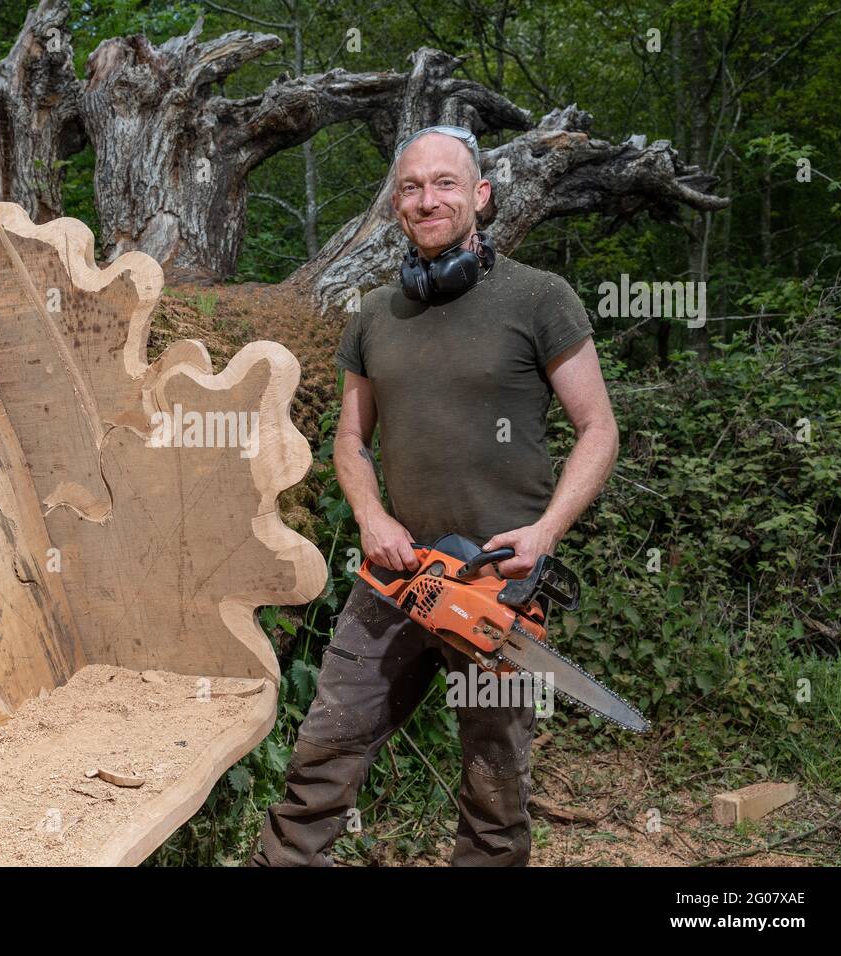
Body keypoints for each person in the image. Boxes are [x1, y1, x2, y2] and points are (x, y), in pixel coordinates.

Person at [249, 126, 619, 866]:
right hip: (396, 574)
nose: (428, 199)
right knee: (325, 747)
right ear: (396, 203)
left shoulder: (540, 297)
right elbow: (350, 442)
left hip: (497, 582)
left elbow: (599, 429)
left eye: (446, 183)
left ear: (480, 194)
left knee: (493, 780)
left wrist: (544, 533)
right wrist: (371, 515)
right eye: (413, 187)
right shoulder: (375, 315)